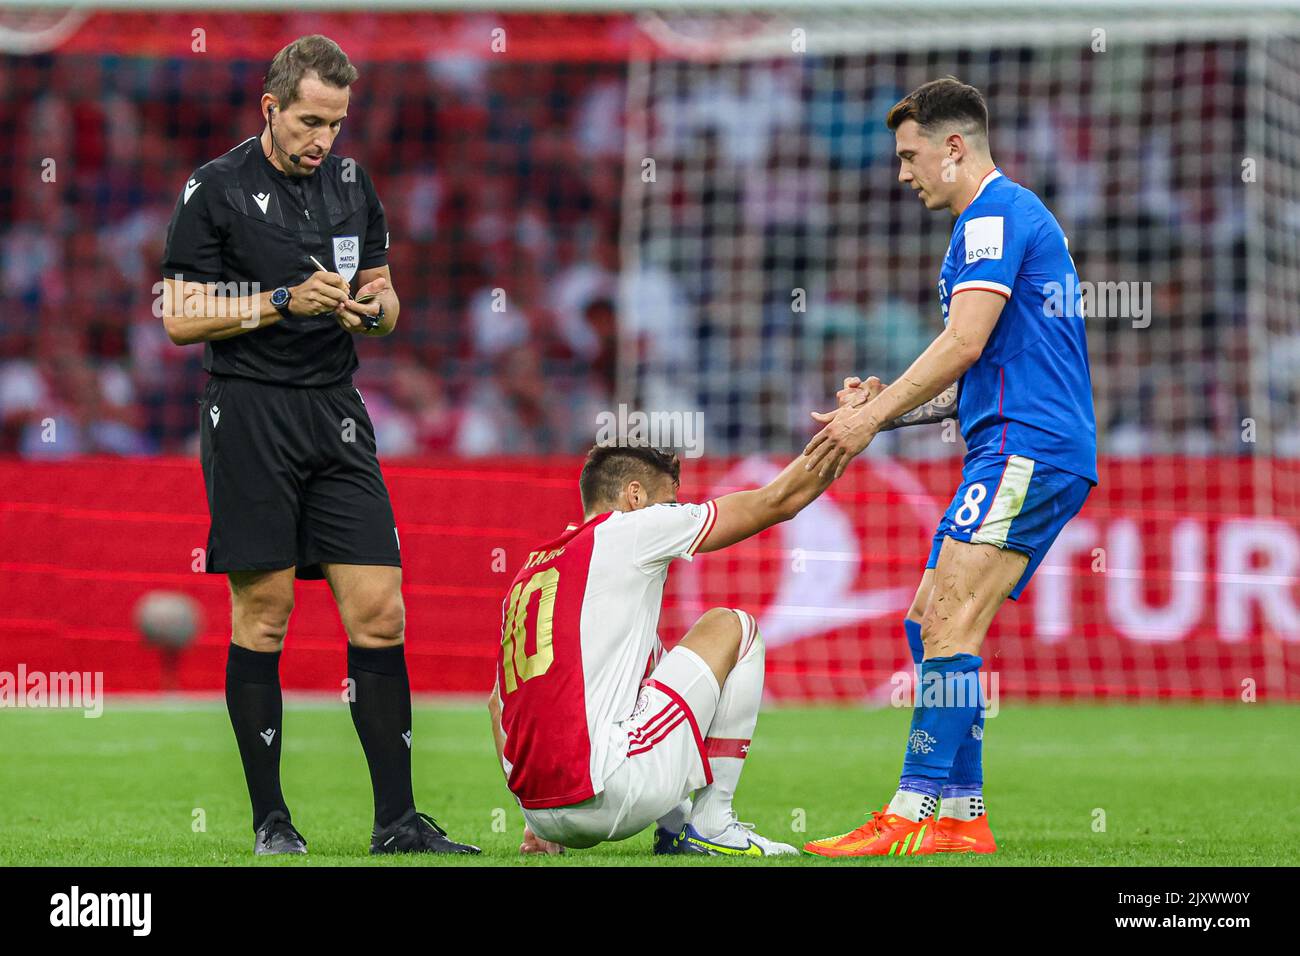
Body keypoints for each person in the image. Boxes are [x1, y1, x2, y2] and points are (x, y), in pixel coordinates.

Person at [159, 34, 476, 856]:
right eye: (308, 122)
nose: (322, 140)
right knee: (264, 617)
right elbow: (177, 315)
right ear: (270, 108)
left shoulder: (350, 183)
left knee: (381, 612)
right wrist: (280, 300)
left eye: (335, 124)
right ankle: (272, 821)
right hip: (250, 411)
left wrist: (374, 310)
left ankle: (398, 823)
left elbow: (388, 296)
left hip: (337, 412)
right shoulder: (215, 188)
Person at [803, 77, 1098, 856]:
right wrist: (885, 403)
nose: (904, 174)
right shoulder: (1000, 220)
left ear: (953, 146)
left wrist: (871, 417)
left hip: (1026, 447)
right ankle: (961, 814)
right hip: (1011, 443)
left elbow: (963, 345)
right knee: (925, 616)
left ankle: (912, 808)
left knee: (951, 620)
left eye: (910, 156)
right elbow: (976, 370)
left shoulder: (995, 215)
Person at [487, 443, 840, 856]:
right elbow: (775, 502)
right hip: (608, 795)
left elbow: (497, 705)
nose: (674, 513)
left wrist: (537, 812)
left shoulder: (533, 569)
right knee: (732, 628)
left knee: (651, 656)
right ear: (635, 496)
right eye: (669, 503)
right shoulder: (630, 529)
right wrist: (847, 436)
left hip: (539, 810)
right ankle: (713, 826)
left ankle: (674, 828)